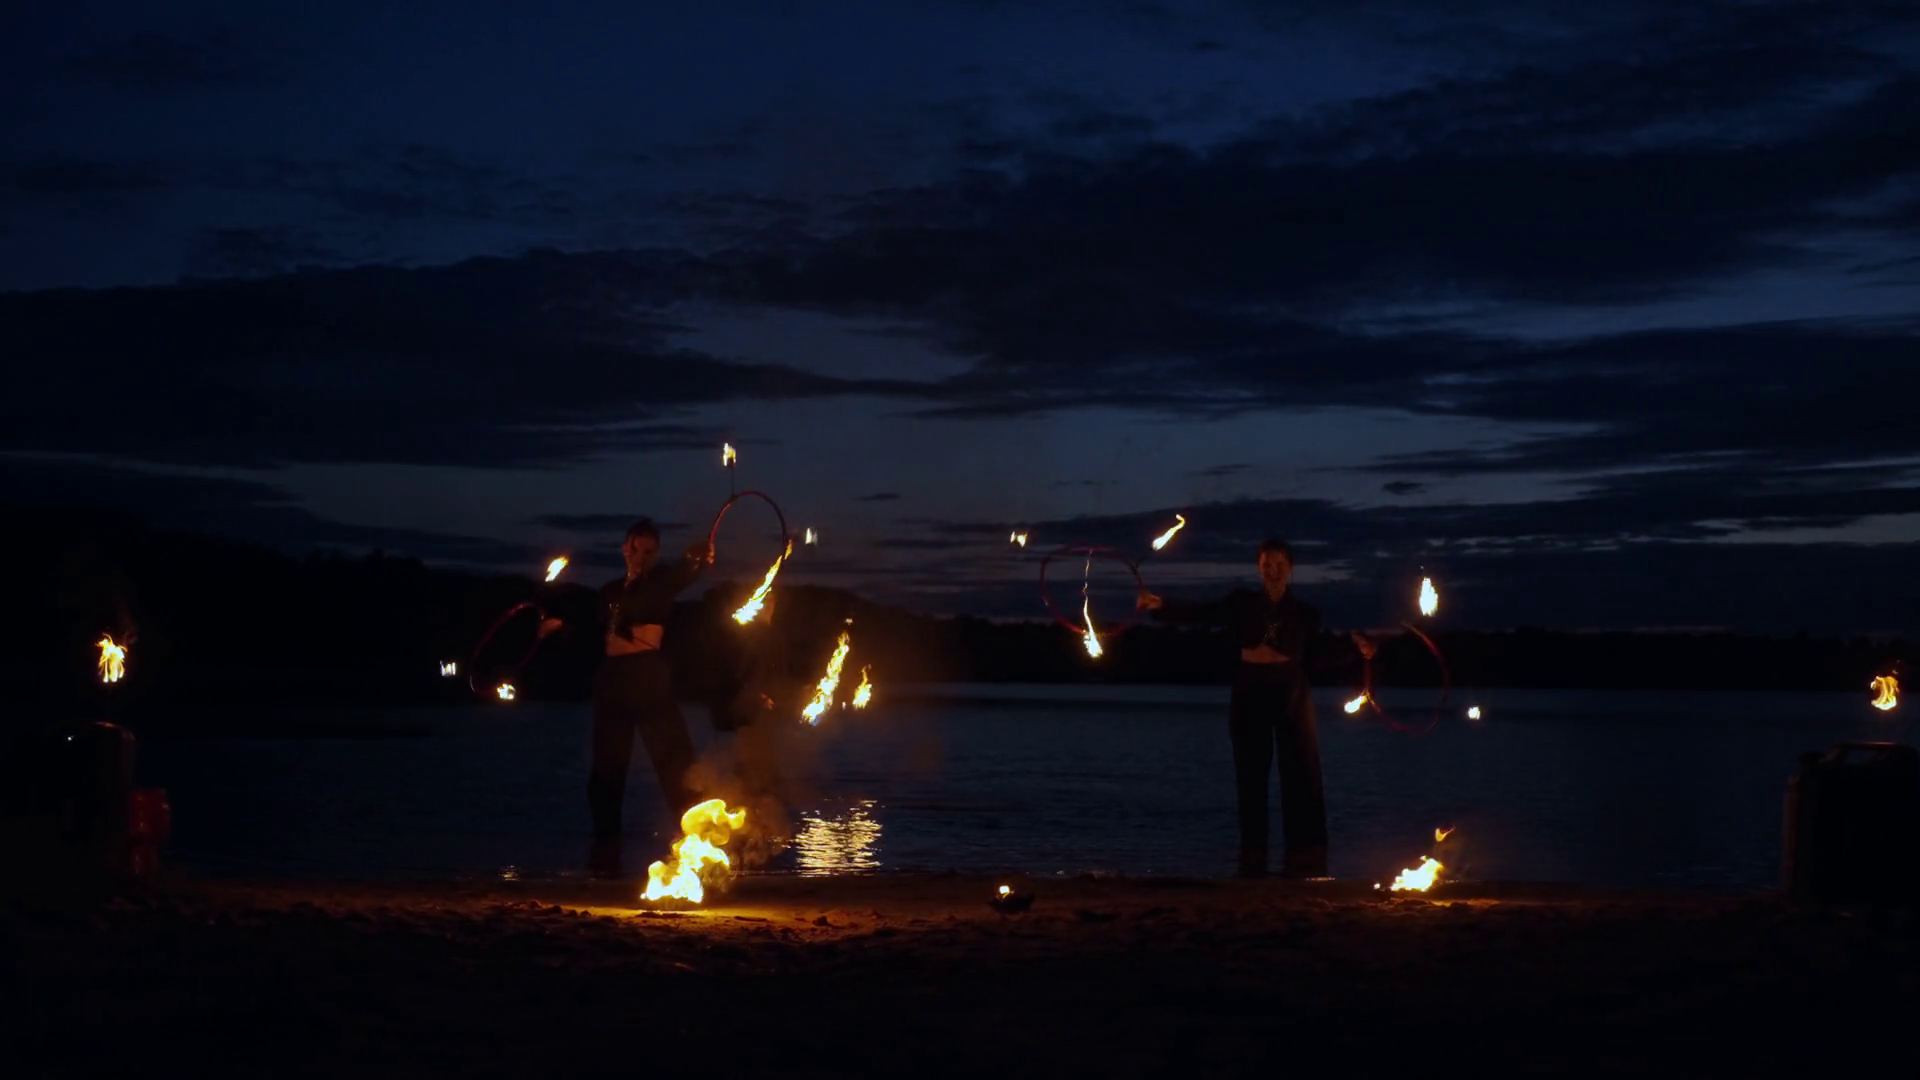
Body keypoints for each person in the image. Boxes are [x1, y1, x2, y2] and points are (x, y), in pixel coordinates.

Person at [1136, 537, 1375, 879]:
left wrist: (1357, 649)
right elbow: (1202, 613)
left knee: (1302, 772)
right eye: (1266, 563)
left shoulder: (1306, 614)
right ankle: (1253, 858)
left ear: (1290, 570)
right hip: (1250, 687)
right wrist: (1160, 604)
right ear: (1258, 568)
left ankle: (1307, 855)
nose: (1272, 569)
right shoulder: (1241, 602)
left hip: (1291, 688)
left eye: (1279, 563)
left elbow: (1318, 657)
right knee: (1251, 773)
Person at [538, 519, 712, 870]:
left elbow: (685, 573)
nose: (640, 556)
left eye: (648, 551)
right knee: (607, 769)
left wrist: (700, 559)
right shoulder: (609, 592)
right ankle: (605, 852)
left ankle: (700, 843)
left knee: (674, 761)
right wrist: (560, 628)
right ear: (625, 548)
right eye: (635, 548)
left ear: (656, 553)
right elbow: (596, 637)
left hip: (648, 677)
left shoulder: (661, 582)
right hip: (612, 682)